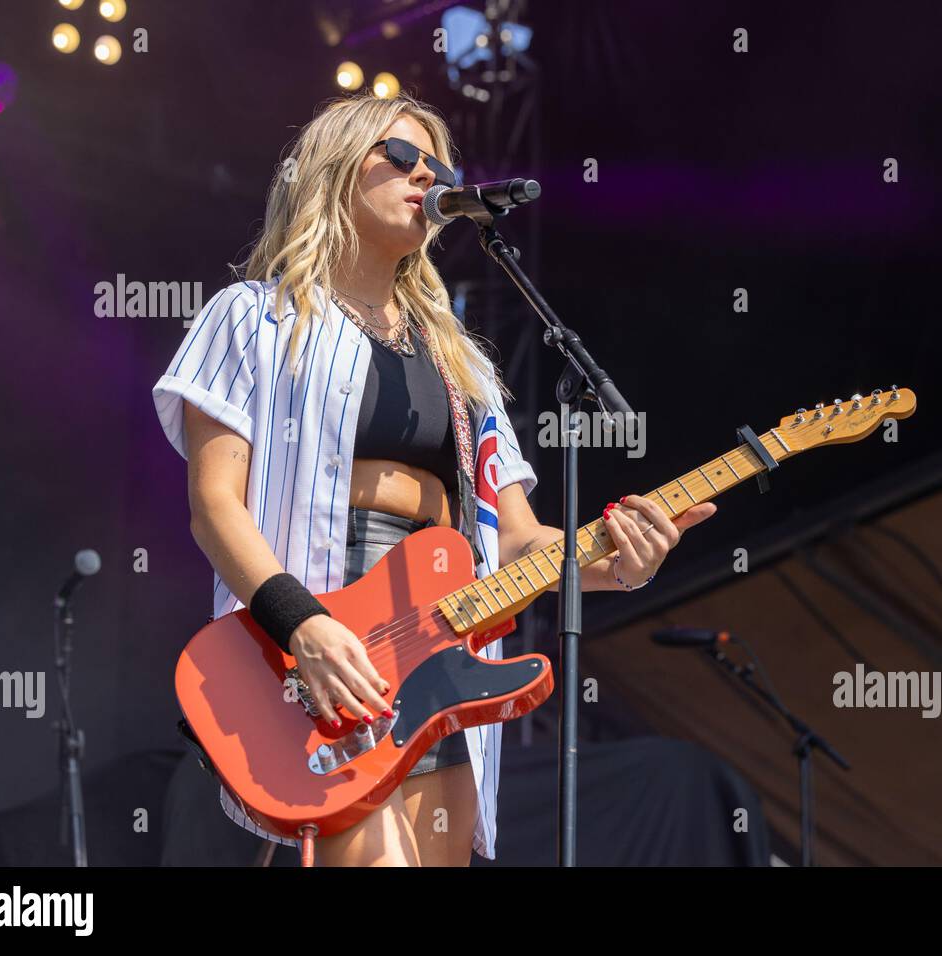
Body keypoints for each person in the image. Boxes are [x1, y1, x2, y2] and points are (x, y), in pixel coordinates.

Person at [151, 90, 716, 866]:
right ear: (334, 168)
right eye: (405, 157)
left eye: (440, 166)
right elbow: (215, 505)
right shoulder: (254, 317)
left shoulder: (464, 366)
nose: (428, 178)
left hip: (439, 650)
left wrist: (615, 563)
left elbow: (515, 541)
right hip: (313, 637)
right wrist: (302, 623)